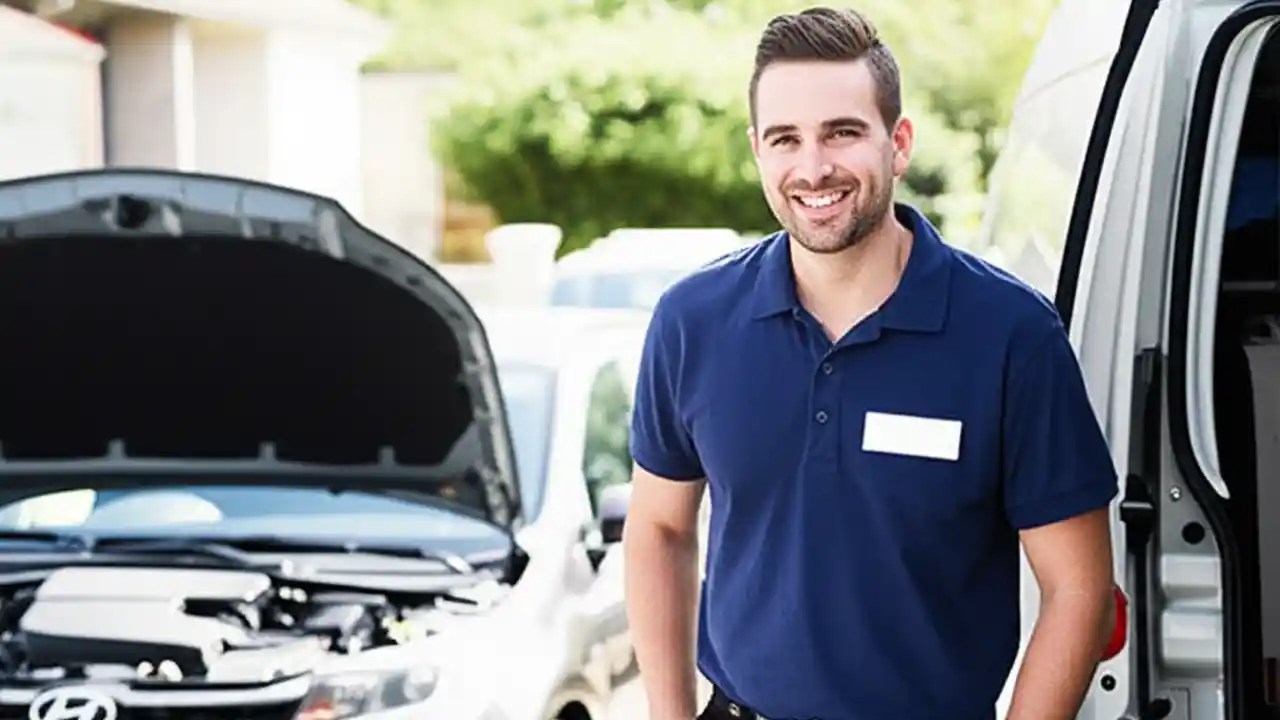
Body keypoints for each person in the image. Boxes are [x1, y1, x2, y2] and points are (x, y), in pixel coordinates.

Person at [621, 6, 1119, 720]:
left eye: (843, 133)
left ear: (899, 142)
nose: (813, 166)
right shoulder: (692, 321)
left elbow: (1078, 589)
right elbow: (660, 526)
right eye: (785, 139)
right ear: (758, 150)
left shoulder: (1012, 335)